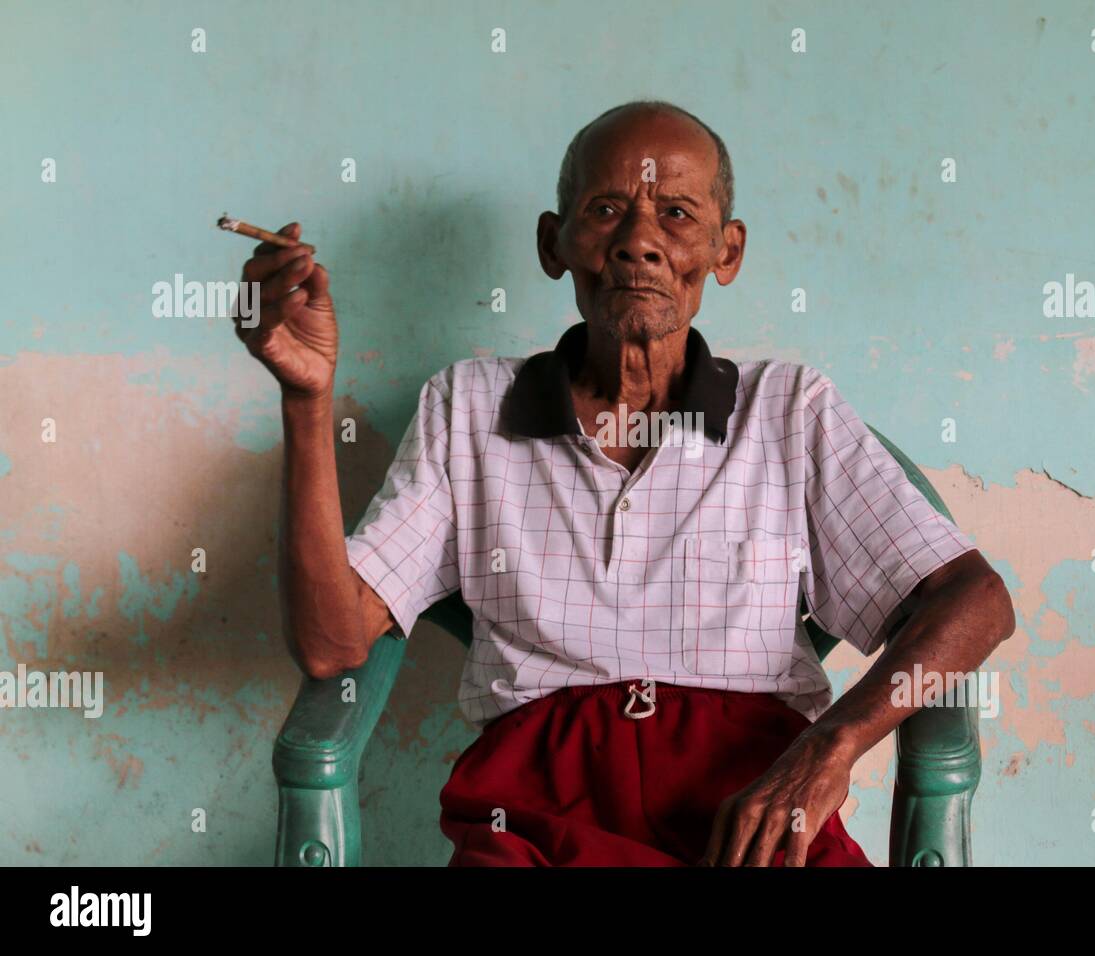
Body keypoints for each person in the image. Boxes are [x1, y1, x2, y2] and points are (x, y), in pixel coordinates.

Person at [234, 100, 1015, 867]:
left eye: (676, 213)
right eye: (606, 209)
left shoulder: (788, 410)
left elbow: (975, 600)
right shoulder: (467, 408)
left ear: (726, 250)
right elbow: (332, 644)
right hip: (535, 819)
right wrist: (307, 399)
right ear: (556, 242)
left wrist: (830, 749)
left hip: (754, 818)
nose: (640, 241)